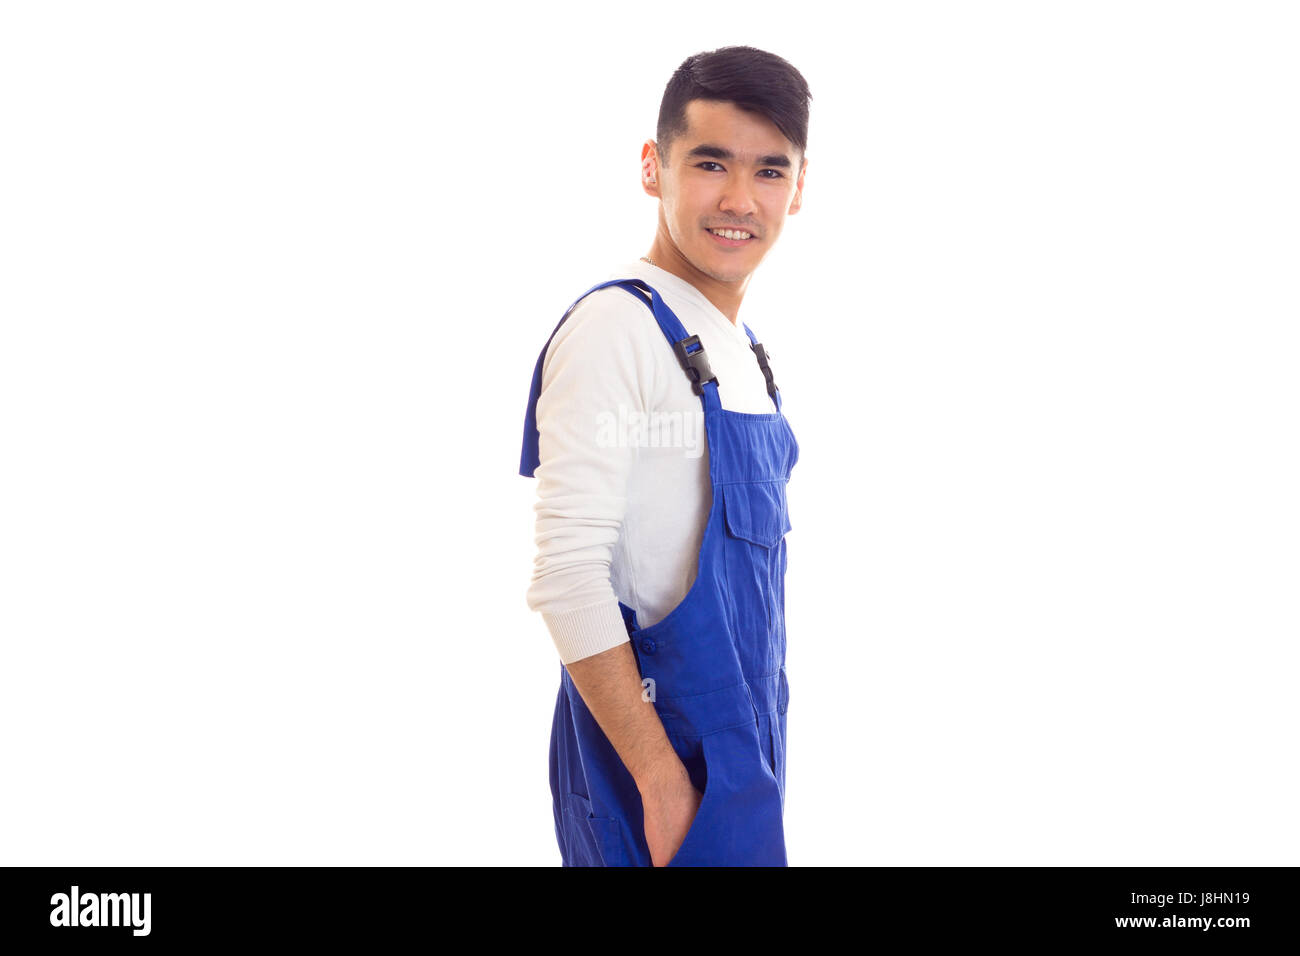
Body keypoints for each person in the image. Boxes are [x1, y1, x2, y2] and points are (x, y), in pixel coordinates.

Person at [518, 45, 810, 866]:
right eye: (710, 163)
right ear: (654, 166)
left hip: (743, 751)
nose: (738, 200)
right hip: (660, 768)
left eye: (769, 171)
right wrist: (659, 780)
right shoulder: (618, 329)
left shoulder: (742, 350)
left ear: (799, 185)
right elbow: (568, 575)